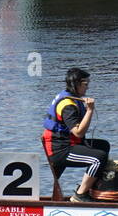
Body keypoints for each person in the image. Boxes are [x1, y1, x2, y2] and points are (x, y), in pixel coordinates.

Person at [41, 67, 111, 203]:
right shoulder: (68, 105)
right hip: (60, 150)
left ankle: (92, 188)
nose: (87, 88)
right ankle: (80, 195)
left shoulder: (70, 97)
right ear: (76, 84)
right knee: (98, 158)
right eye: (85, 85)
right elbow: (79, 133)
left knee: (104, 146)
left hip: (68, 143)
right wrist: (90, 111)